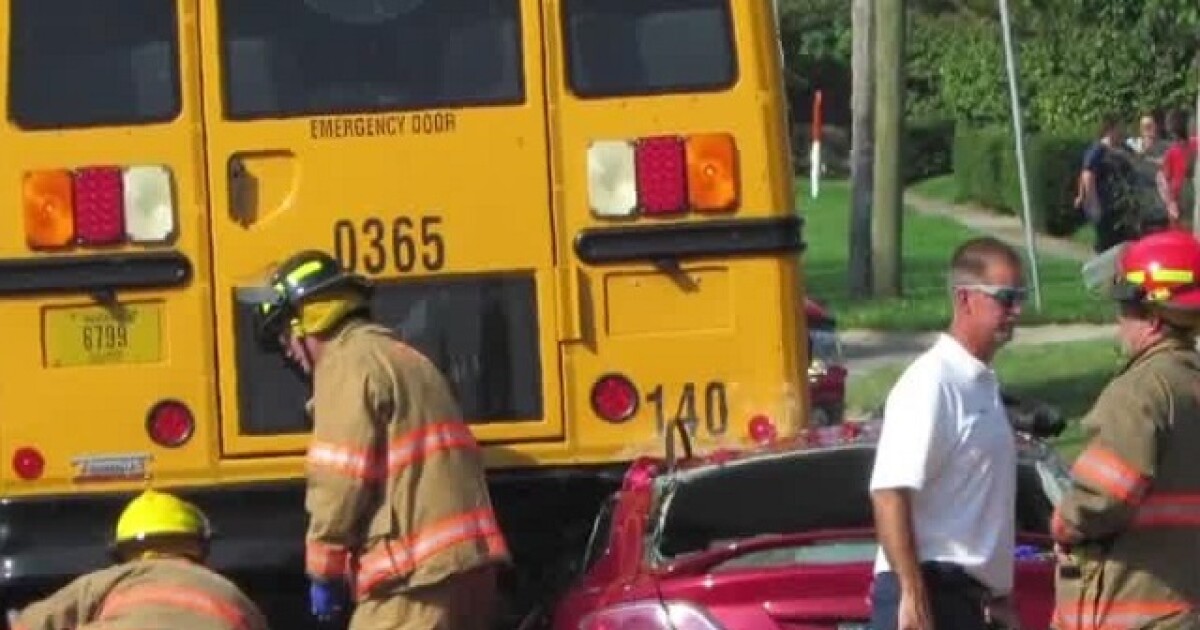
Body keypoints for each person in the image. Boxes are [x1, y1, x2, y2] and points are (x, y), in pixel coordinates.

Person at [242, 250, 510, 630]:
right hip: (469, 572)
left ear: (306, 322)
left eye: (284, 333)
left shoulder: (345, 364)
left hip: (416, 580)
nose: (286, 348)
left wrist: (324, 570)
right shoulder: (405, 357)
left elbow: (339, 479)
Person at [868, 236, 1027, 630]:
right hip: (932, 595)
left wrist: (999, 596)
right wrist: (912, 593)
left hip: (969, 602)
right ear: (964, 299)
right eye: (1005, 298)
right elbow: (889, 492)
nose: (1016, 311)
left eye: (1019, 297)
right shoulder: (932, 382)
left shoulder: (980, 383)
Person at [1052, 229, 1200, 629]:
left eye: (1124, 310)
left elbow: (1104, 493)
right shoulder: (1190, 382)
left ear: (1152, 318)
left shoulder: (1142, 390)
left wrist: (1064, 523)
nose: (1120, 323)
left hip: (1136, 612)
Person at [9, 489, 269, 630]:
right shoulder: (231, 594)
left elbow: (27, 624)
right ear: (200, 546)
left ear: (122, 552)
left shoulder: (105, 582)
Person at [1077, 116, 1135, 253]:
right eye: (1119, 128)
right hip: (1105, 203)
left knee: (1123, 242)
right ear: (1110, 130)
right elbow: (1087, 175)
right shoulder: (1098, 150)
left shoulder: (1123, 148)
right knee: (1106, 241)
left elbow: (1137, 161)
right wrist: (1093, 202)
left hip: (1122, 206)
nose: (1122, 131)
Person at [1160, 109, 1197, 224]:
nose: (1194, 124)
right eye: (1191, 122)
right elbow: (1164, 179)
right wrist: (1170, 203)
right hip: (1180, 201)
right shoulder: (1173, 152)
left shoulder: (1194, 144)